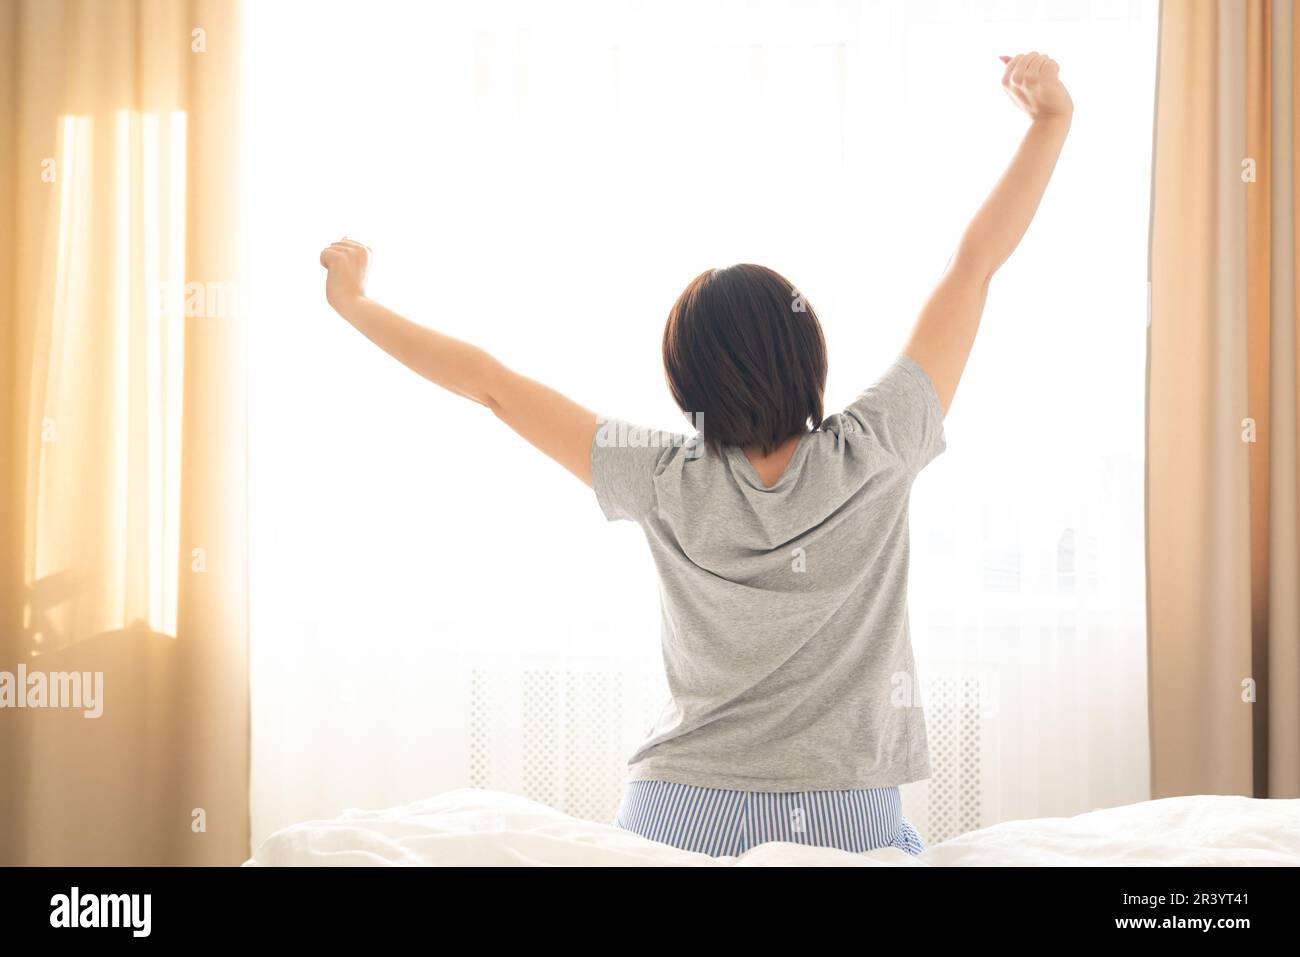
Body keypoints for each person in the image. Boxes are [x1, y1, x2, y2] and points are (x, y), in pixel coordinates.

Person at [318, 52, 1072, 857]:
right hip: (841, 810)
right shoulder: (880, 444)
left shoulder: (659, 474)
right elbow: (974, 265)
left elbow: (490, 385)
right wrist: (1050, 121)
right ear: (808, 352)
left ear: (686, 378)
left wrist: (356, 303)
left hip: (677, 809)